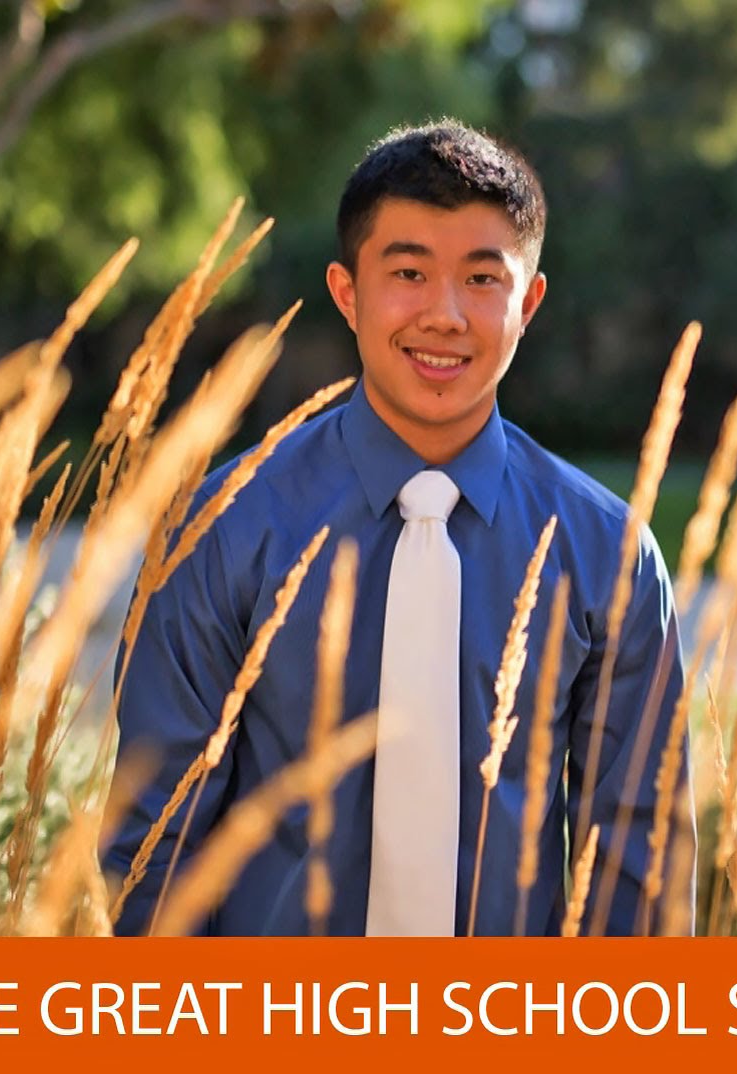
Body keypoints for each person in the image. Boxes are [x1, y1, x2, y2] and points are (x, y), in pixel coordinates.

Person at [106, 120, 691, 936]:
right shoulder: (223, 528)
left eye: (483, 280)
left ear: (529, 302)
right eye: (409, 272)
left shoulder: (608, 556)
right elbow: (153, 851)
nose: (445, 315)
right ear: (348, 293)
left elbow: (637, 869)